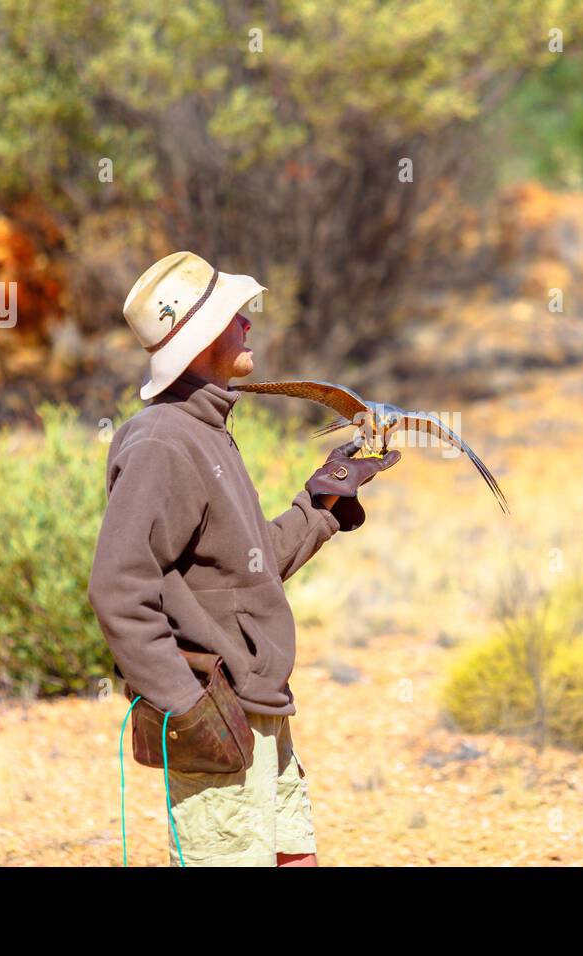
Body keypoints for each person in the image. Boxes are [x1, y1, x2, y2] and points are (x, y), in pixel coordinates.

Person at [89, 251, 399, 866]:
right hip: (218, 716)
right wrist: (187, 704)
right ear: (204, 337)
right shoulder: (162, 442)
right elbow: (117, 588)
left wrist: (328, 498)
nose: (248, 325)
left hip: (261, 710)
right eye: (236, 316)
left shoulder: (206, 431)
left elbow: (249, 567)